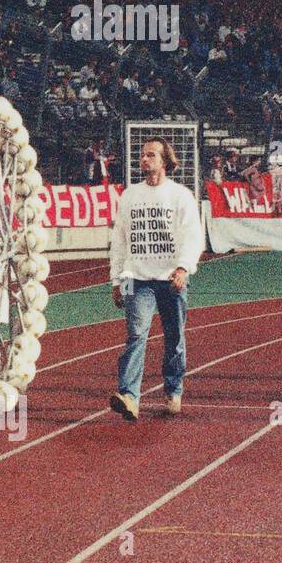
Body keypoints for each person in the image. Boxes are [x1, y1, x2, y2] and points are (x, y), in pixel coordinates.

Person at [108, 139, 205, 421]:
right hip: (136, 279)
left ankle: (173, 389)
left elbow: (193, 236)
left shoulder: (180, 196)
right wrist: (116, 281)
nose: (145, 159)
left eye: (151, 155)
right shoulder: (129, 196)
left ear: (164, 161)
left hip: (171, 279)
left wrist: (184, 268)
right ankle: (129, 396)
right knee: (136, 334)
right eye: (143, 155)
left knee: (174, 337)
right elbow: (119, 240)